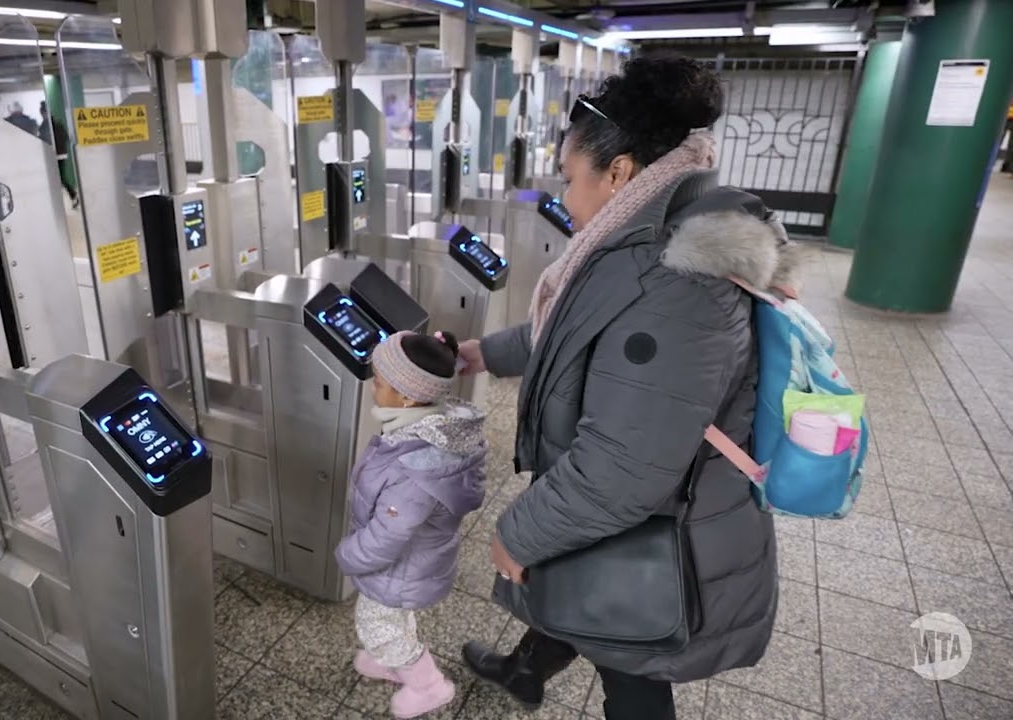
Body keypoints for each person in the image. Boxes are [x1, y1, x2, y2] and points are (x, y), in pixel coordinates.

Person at [455, 56, 795, 718]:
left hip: (661, 521)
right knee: (581, 575)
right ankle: (527, 667)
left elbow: (623, 470)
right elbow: (581, 332)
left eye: (569, 179)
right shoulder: (650, 236)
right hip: (648, 504)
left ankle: (539, 666)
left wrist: (519, 531)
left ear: (618, 172)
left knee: (630, 666)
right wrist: (484, 354)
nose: (564, 198)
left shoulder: (676, 280)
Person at [334, 330, 487, 719]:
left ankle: (428, 685)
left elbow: (390, 533)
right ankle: (391, 658)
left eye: (380, 383)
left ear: (405, 396)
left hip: (399, 567)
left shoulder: (415, 466)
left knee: (376, 623)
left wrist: (349, 554)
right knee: (393, 616)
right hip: (414, 565)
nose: (374, 388)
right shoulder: (426, 428)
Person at [39, 101, 79, 207]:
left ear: (43, 113)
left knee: (56, 178)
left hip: (53, 156)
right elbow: (66, 137)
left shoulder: (44, 126)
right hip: (62, 154)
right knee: (60, 178)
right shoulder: (58, 124)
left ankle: (72, 195)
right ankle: (72, 196)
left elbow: (43, 141)